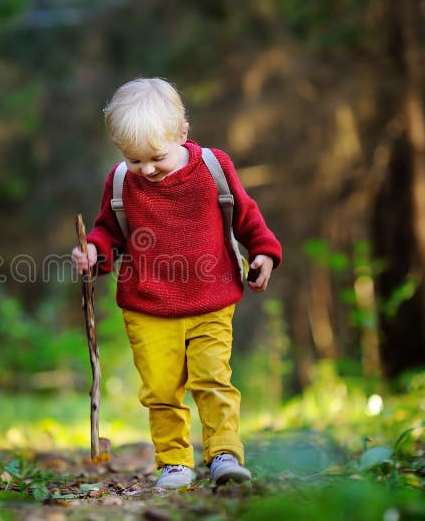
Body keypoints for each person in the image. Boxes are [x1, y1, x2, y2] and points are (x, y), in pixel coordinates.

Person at [71, 77, 282, 489]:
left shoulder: (212, 168)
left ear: (182, 134)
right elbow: (108, 233)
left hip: (212, 300)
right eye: (134, 161)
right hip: (146, 306)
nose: (146, 170)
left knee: (213, 380)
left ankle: (224, 455)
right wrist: (93, 254)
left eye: (156, 158)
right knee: (161, 391)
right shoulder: (120, 182)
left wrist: (264, 252)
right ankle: (174, 463)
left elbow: (246, 215)